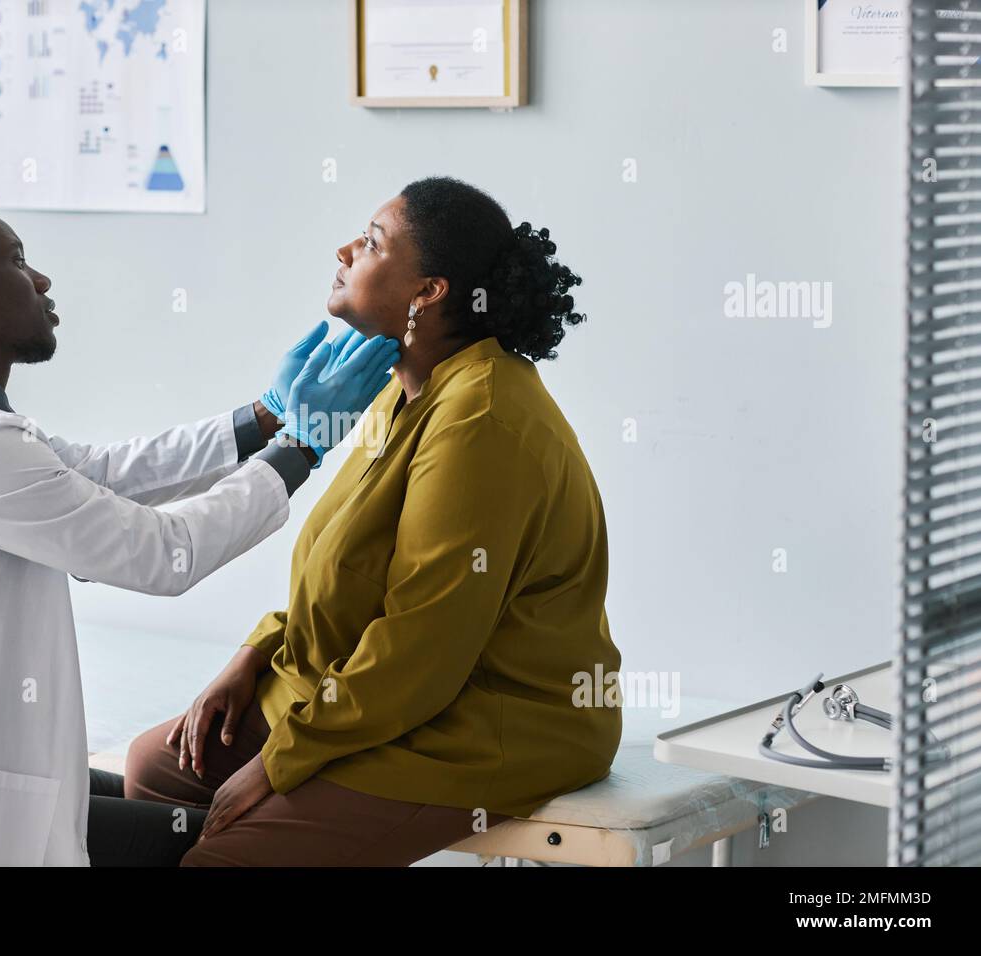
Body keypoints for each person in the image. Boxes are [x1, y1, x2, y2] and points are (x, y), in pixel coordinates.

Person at [0, 186, 398, 866]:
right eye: (16, 259)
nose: (40, 280)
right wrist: (301, 448)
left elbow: (101, 473)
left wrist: (266, 416)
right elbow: (166, 556)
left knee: (179, 809)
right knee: (218, 844)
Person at [124, 177, 623, 866]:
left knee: (222, 856)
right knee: (157, 769)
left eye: (372, 241)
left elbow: (423, 646)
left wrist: (278, 764)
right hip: (392, 690)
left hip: (477, 722)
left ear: (428, 292)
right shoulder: (405, 389)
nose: (346, 249)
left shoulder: (478, 418)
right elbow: (351, 568)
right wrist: (256, 654)